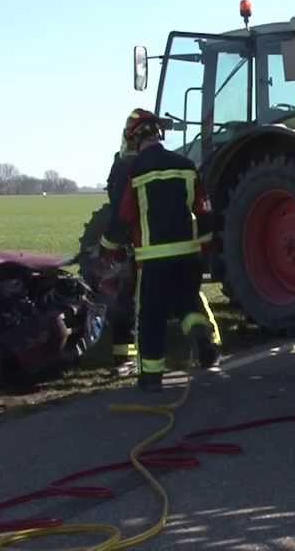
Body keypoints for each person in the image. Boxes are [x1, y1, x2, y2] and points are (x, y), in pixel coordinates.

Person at [110, 108, 221, 392]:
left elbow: (123, 217)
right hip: (188, 255)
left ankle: (151, 377)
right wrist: (207, 244)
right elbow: (204, 209)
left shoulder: (134, 171)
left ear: (133, 139)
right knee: (187, 304)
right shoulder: (186, 165)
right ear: (159, 133)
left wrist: (107, 249)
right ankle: (200, 337)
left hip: (153, 260)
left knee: (151, 317)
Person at [98, 131, 139, 375]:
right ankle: (207, 345)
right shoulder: (179, 167)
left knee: (129, 299)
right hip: (171, 247)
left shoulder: (125, 168)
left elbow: (121, 214)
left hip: (139, 246)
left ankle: (128, 360)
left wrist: (108, 248)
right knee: (188, 298)